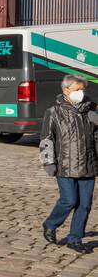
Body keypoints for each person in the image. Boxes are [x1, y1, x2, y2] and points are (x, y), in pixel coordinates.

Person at [41, 74, 98, 253]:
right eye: (77, 90)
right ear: (66, 91)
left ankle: (75, 239)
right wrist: (48, 162)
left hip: (89, 165)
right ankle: (51, 223)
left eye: (83, 89)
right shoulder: (54, 112)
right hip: (65, 165)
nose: (81, 93)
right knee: (69, 200)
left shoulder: (92, 111)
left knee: (85, 204)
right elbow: (46, 139)